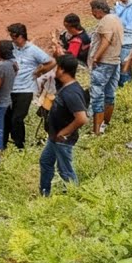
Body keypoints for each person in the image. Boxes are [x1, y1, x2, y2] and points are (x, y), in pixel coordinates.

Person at [40, 55, 89, 196]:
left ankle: (75, 196)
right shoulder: (66, 87)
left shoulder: (72, 93)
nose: (54, 70)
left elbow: (82, 118)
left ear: (61, 70)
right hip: (55, 136)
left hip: (62, 139)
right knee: (45, 161)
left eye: (56, 67)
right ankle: (44, 194)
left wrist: (64, 132)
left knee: (65, 170)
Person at [7, 23, 56, 150]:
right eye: (11, 36)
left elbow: (51, 62)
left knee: (18, 118)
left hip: (26, 89)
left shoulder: (33, 50)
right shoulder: (11, 48)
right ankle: (11, 142)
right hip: (11, 88)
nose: (12, 39)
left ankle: (20, 146)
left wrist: (40, 71)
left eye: (14, 36)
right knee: (9, 117)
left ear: (22, 36)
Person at [87, 0, 124, 134]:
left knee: (97, 96)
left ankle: (96, 130)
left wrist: (96, 57)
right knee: (109, 94)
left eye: (92, 10)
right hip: (115, 61)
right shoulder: (116, 18)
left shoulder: (106, 22)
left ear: (97, 10)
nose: (92, 14)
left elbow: (106, 40)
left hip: (104, 63)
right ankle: (104, 125)